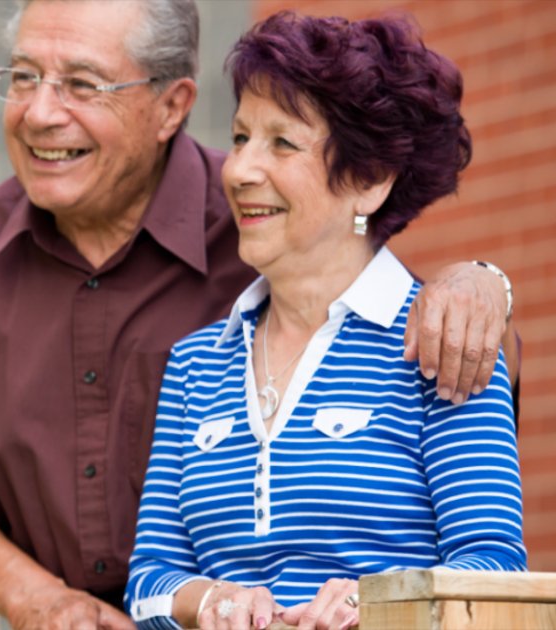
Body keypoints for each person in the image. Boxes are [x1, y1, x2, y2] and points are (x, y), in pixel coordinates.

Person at [0, 1, 517, 628]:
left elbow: (487, 555)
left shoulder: (270, 235)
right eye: (24, 77)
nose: (39, 113)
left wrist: (484, 283)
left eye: (82, 84)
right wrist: (47, 602)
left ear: (171, 105)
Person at [125, 11, 526, 630]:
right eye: (239, 138)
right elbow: (150, 581)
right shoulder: (195, 362)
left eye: (281, 143)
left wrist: (382, 602)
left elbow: (494, 573)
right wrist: (212, 602)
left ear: (368, 180)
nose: (239, 171)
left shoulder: (445, 341)